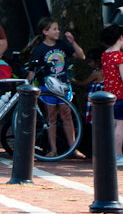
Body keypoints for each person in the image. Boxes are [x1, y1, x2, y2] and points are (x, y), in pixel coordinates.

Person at [28, 16, 86, 158]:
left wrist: (73, 42)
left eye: (57, 28)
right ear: (45, 32)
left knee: (66, 115)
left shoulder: (62, 45)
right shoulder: (40, 49)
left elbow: (81, 56)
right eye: (54, 29)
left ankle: (72, 147)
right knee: (51, 118)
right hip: (47, 86)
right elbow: (32, 70)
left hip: (63, 84)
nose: (57, 31)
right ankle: (53, 149)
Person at [99, 25, 123, 166]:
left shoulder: (105, 55)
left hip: (109, 94)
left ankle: (108, 154)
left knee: (112, 125)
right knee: (120, 126)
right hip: (122, 95)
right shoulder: (120, 56)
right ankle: (117, 155)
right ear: (120, 38)